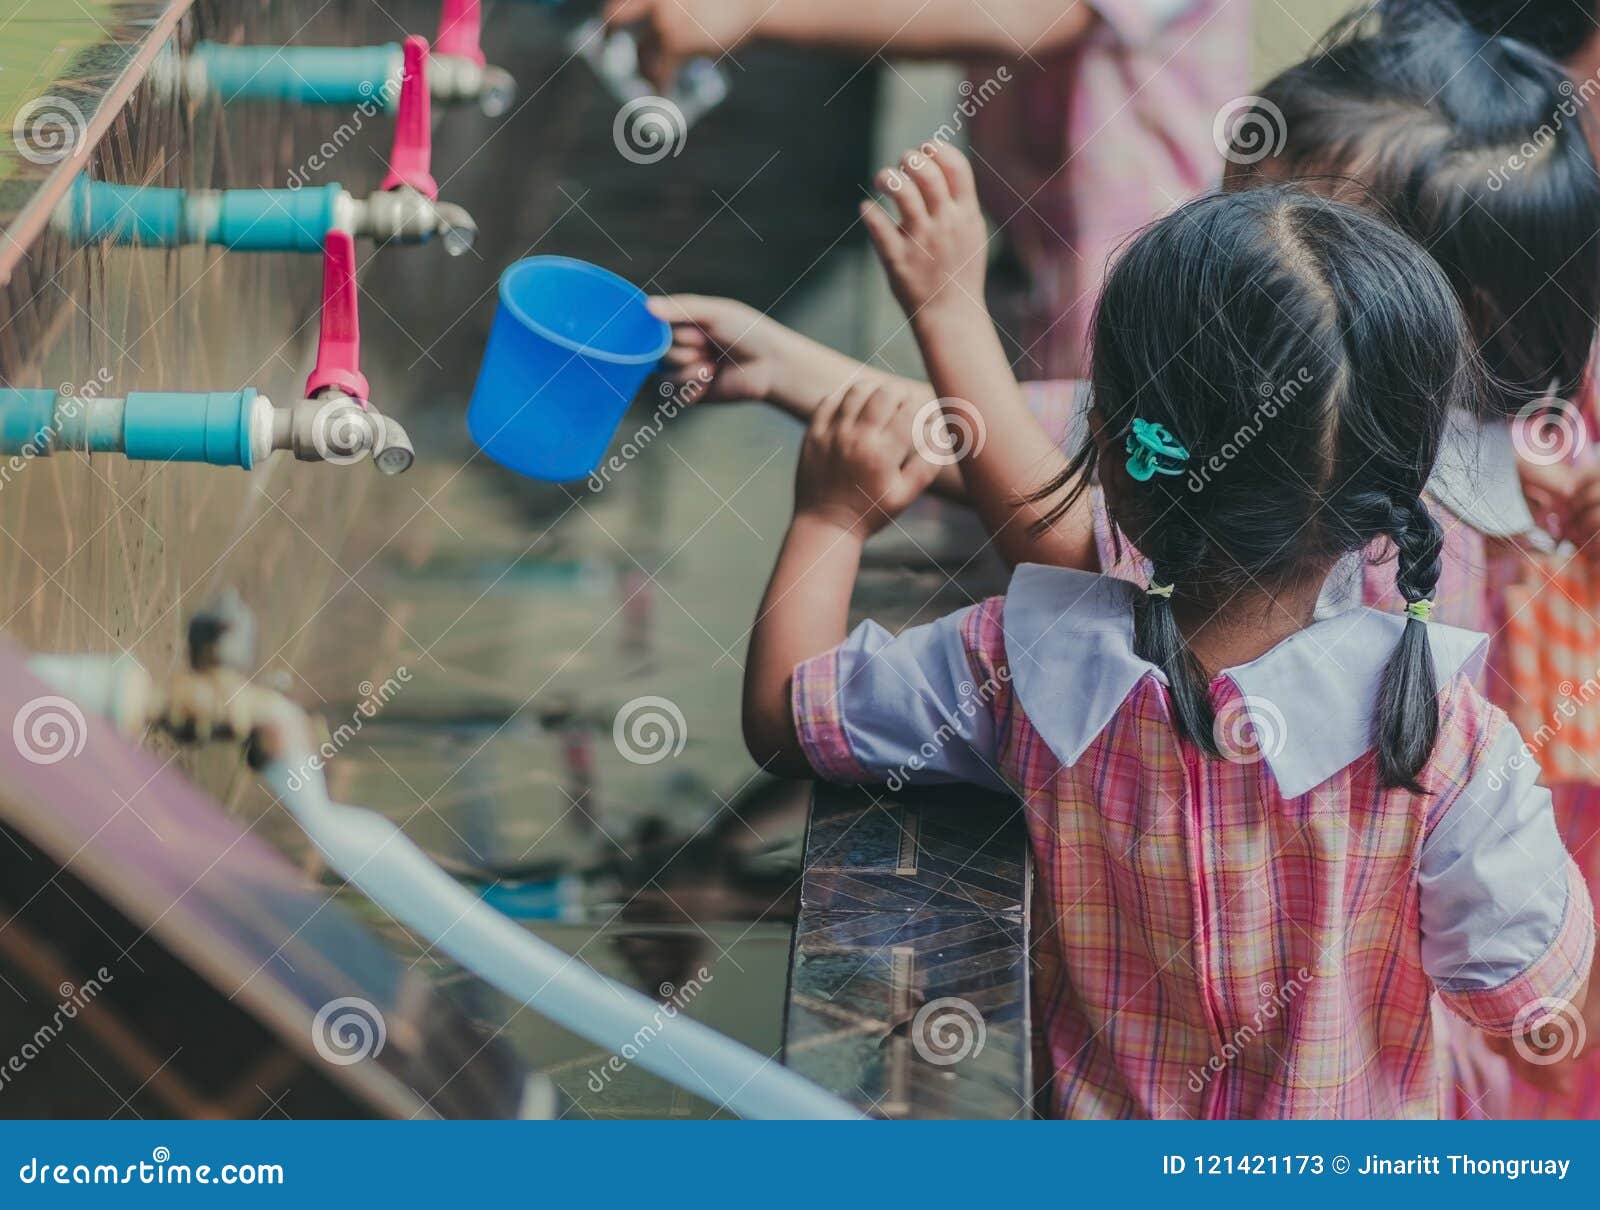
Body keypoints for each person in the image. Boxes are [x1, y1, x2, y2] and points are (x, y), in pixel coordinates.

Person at [740, 182, 1595, 1118]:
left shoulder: (1020, 663)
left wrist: (832, 514)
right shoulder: (1449, 742)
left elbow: (789, 719)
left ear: (1108, 452)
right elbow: (1532, 1014)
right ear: (1394, 493)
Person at [602, 0, 1250, 379]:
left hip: (1134, 252)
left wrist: (749, 10)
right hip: (1031, 246)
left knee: (1081, 464)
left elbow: (1022, 15)